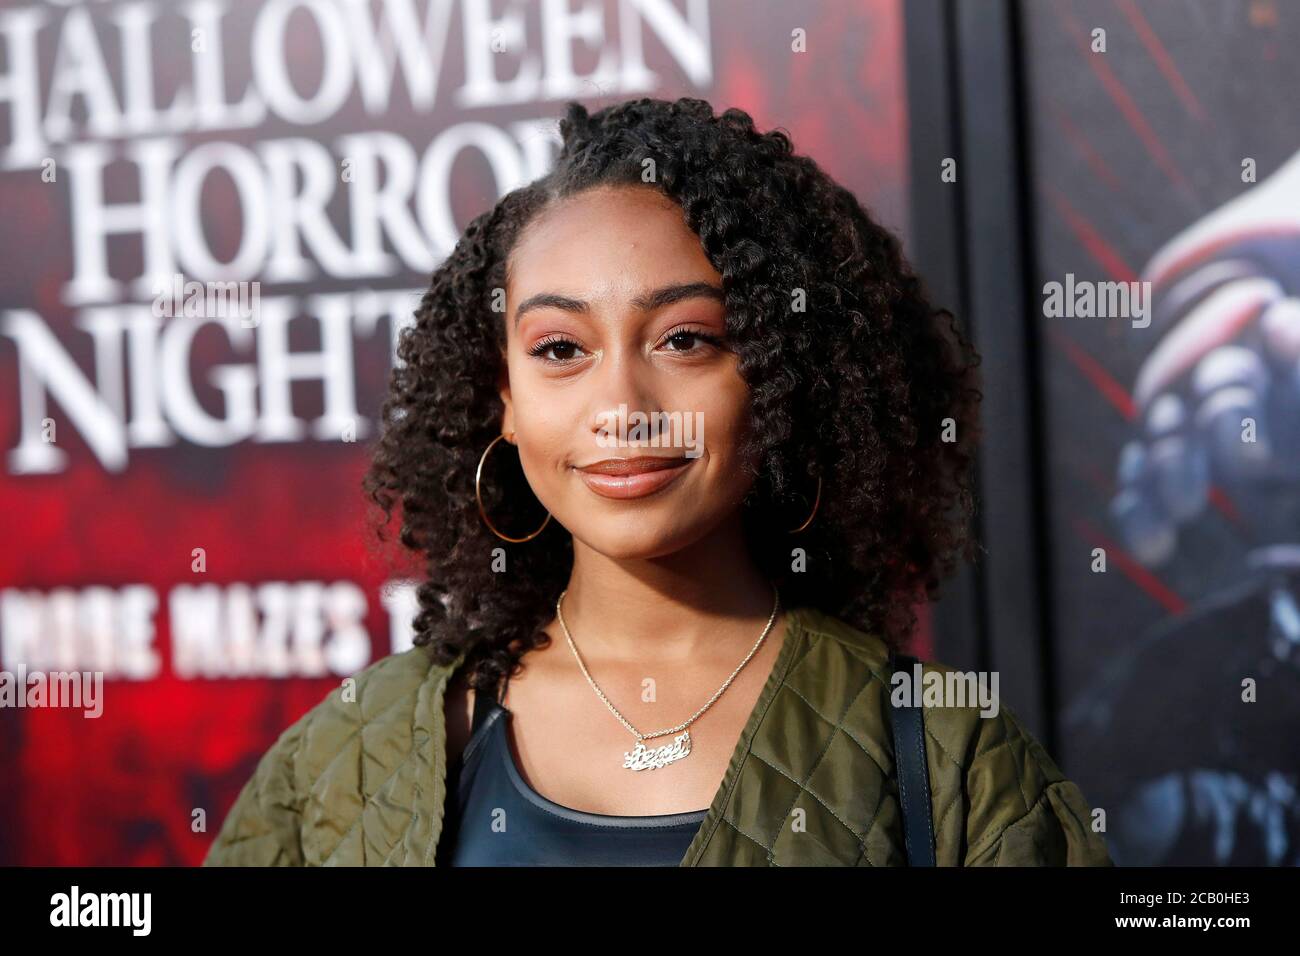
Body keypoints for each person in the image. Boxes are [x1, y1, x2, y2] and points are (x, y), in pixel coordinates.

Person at [202, 96, 1112, 867]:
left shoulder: (948, 761)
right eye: (560, 349)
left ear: (783, 372)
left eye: (686, 339)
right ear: (503, 400)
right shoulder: (354, 760)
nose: (622, 407)